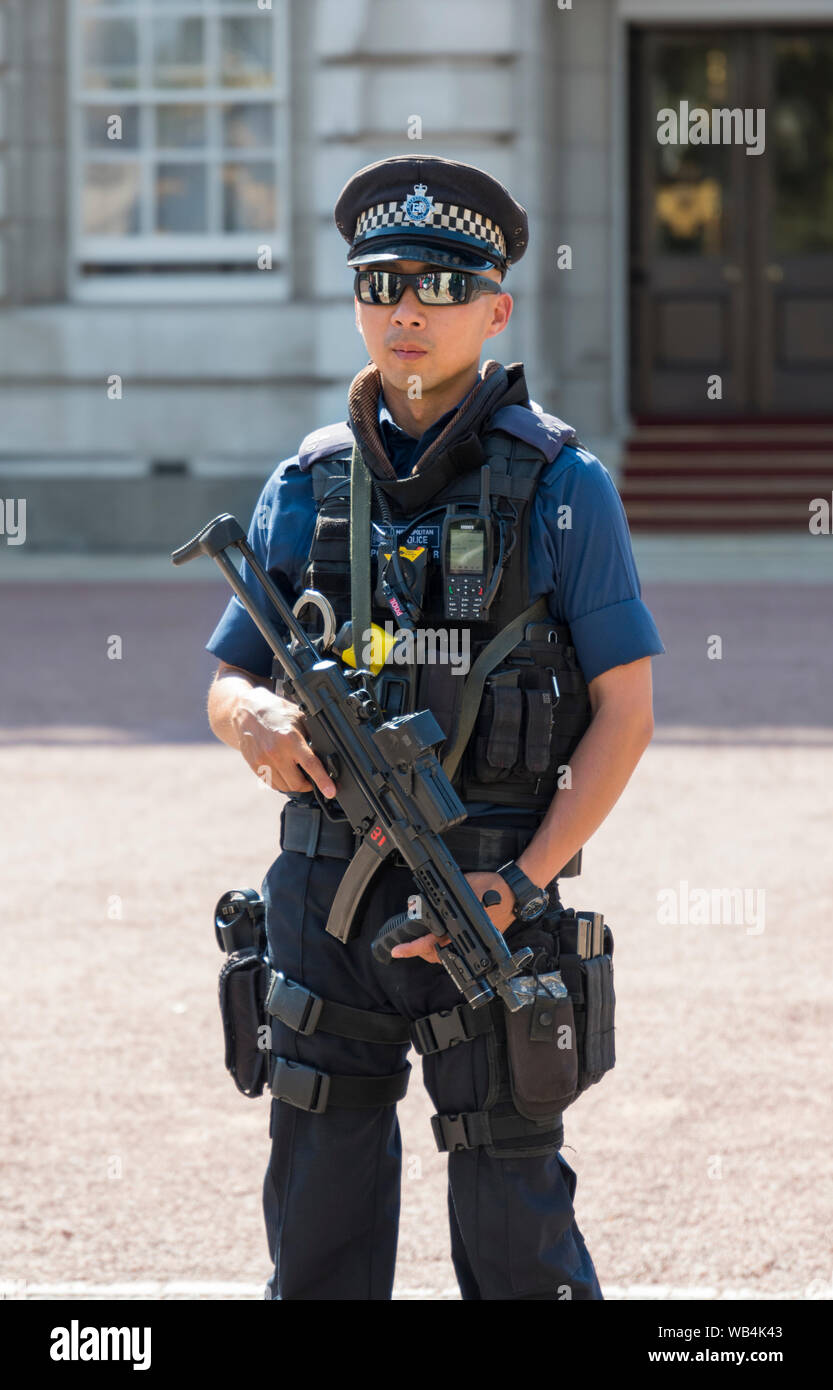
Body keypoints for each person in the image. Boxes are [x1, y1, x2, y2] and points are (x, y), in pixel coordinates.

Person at [204, 154, 665, 1301]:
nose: (408, 310)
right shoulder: (303, 483)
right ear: (358, 300)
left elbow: (625, 711)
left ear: (495, 308)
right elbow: (224, 680)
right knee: (317, 1230)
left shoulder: (563, 485)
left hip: (490, 895)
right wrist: (254, 719)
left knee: (518, 1238)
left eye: (443, 286)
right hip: (323, 898)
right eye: (384, 282)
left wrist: (524, 880)